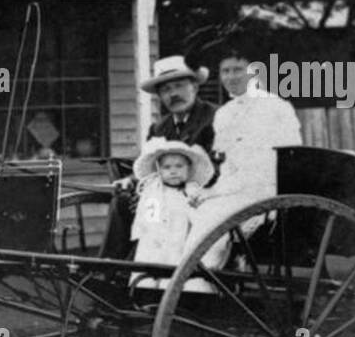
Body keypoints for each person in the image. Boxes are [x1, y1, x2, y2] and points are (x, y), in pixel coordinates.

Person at [183, 49, 303, 269]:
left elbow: (288, 160)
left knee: (210, 219)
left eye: (238, 70)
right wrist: (212, 191)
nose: (231, 77)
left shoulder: (275, 107)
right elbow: (229, 167)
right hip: (234, 190)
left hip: (265, 190)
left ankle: (197, 282)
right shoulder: (224, 114)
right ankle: (195, 282)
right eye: (225, 71)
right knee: (188, 212)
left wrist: (220, 193)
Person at [100, 55, 219, 258]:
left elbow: (214, 173)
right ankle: (109, 267)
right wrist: (131, 181)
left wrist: (161, 196)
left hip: (200, 198)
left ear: (195, 87)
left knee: (151, 209)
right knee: (122, 202)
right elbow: (150, 166)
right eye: (165, 90)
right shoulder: (159, 127)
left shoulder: (214, 118)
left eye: (179, 86)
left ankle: (139, 270)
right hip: (161, 197)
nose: (173, 94)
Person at [128, 138, 214, 290]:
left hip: (180, 241)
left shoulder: (192, 192)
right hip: (155, 241)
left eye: (179, 166)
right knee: (148, 274)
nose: (173, 171)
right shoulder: (153, 191)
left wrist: (195, 206)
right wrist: (156, 235)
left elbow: (200, 220)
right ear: (159, 170)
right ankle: (146, 292)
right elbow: (149, 218)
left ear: (189, 169)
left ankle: (171, 296)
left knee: (174, 274)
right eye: (167, 167)